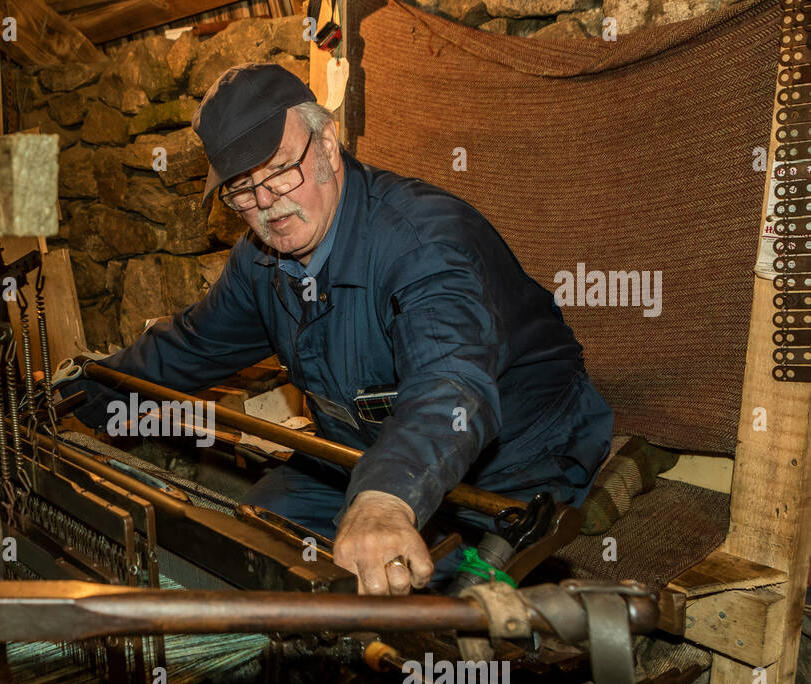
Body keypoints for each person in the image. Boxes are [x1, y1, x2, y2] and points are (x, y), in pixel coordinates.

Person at [66, 63, 612, 596]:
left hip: (509, 466)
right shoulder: (260, 262)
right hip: (354, 455)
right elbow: (192, 343)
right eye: (240, 188)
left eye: (279, 170)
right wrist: (79, 390)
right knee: (256, 548)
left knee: (424, 616)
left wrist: (384, 497)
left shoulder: (423, 243)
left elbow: (452, 385)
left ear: (327, 143)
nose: (264, 203)